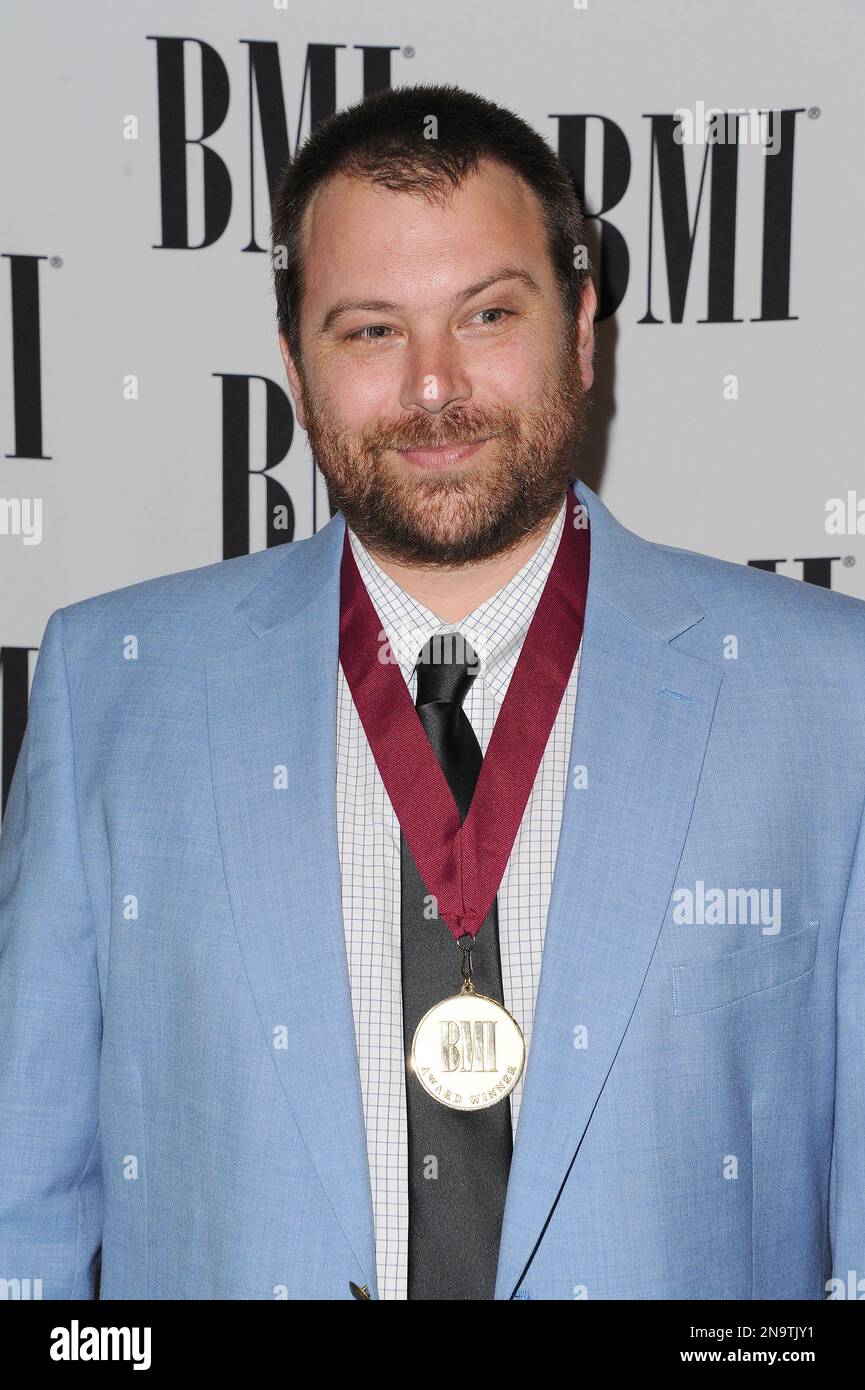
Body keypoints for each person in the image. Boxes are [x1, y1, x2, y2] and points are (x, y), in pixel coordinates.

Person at [0, 83, 862, 1302]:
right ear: (295, 368)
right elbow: (20, 1216)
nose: (431, 389)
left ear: (580, 329)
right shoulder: (113, 688)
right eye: (369, 331)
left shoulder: (832, 696)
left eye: (487, 315)